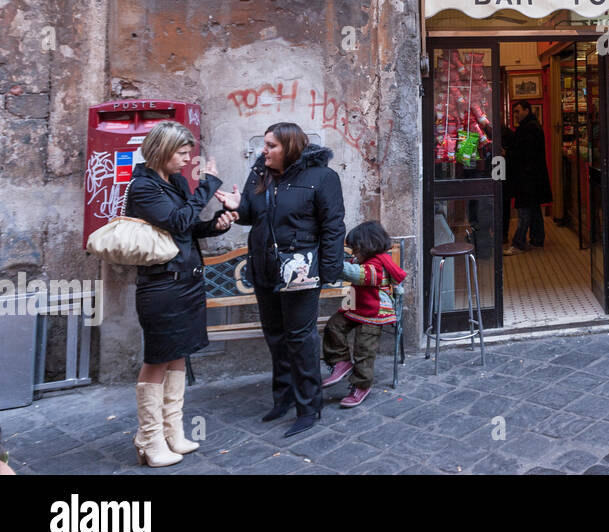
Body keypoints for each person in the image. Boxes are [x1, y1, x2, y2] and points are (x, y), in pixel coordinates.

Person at [218, 123, 345, 437]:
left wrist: (328, 272)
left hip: (300, 271)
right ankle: (283, 399)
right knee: (275, 335)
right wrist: (237, 208)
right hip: (264, 269)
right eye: (264, 144)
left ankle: (308, 407)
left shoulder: (322, 178)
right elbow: (251, 214)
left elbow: (333, 227)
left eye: (271, 145)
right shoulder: (260, 174)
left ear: (290, 147)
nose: (264, 151)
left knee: (300, 339)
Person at [123, 121, 237, 467]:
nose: (188, 160)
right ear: (162, 150)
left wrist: (214, 223)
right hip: (161, 285)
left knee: (178, 354)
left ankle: (172, 430)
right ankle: (148, 438)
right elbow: (175, 221)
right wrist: (209, 185)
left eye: (189, 153)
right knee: (157, 358)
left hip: (185, 281)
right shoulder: (143, 188)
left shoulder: (171, 182)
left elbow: (185, 227)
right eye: (183, 153)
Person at [323, 221, 407, 408]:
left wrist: (334, 265)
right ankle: (341, 361)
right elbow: (354, 267)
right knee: (334, 326)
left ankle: (361, 384)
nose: (353, 253)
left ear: (367, 246)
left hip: (374, 312)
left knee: (363, 347)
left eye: (355, 249)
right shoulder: (365, 260)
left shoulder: (377, 265)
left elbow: (359, 275)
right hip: (358, 307)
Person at [502, 100, 552, 254]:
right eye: (514, 112)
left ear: (527, 110)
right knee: (533, 208)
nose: (515, 115)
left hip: (527, 177)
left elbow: (525, 154)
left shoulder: (528, 129)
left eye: (518, 111)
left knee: (524, 211)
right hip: (533, 176)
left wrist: (506, 154)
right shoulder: (532, 126)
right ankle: (537, 238)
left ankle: (518, 243)